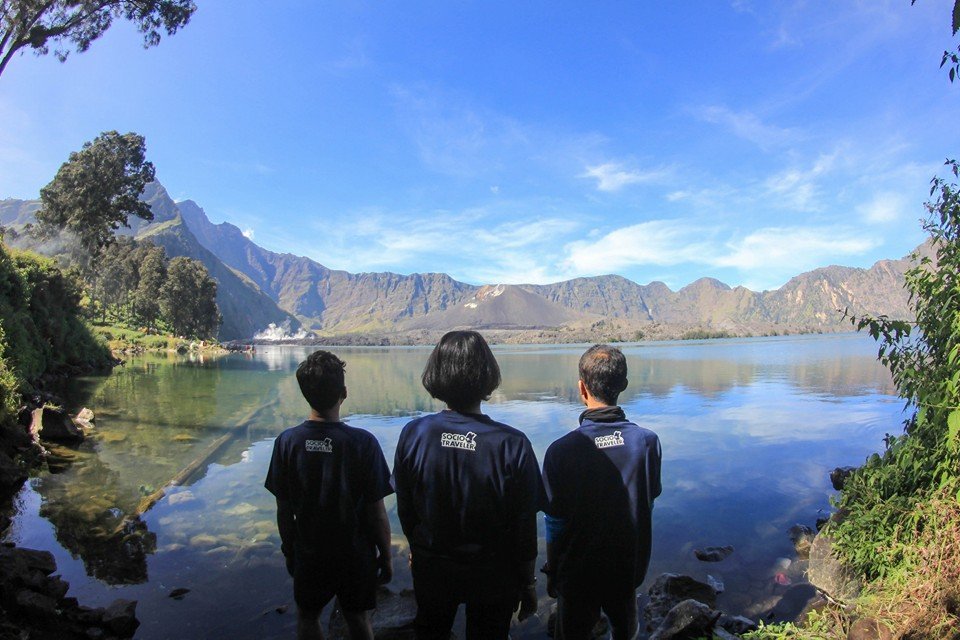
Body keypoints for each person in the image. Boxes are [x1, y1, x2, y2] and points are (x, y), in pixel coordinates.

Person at [392, 330, 542, 640]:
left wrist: (417, 547)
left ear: (437, 374)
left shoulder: (413, 434)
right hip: (493, 574)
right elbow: (525, 525)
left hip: (433, 568)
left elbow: (405, 506)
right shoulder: (512, 444)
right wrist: (527, 583)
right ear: (487, 375)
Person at [265, 350, 393, 640]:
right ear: (344, 393)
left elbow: (283, 509)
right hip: (355, 555)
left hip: (310, 553)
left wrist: (290, 549)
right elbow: (377, 513)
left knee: (308, 617)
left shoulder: (287, 442)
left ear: (304, 393)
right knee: (358, 618)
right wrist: (385, 556)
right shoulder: (363, 443)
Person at [541, 344, 662, 640]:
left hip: (576, 574)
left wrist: (553, 570)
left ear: (582, 388)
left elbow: (554, 522)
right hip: (627, 567)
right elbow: (647, 500)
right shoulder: (647, 443)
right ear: (624, 385)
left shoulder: (561, 451)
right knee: (626, 630)